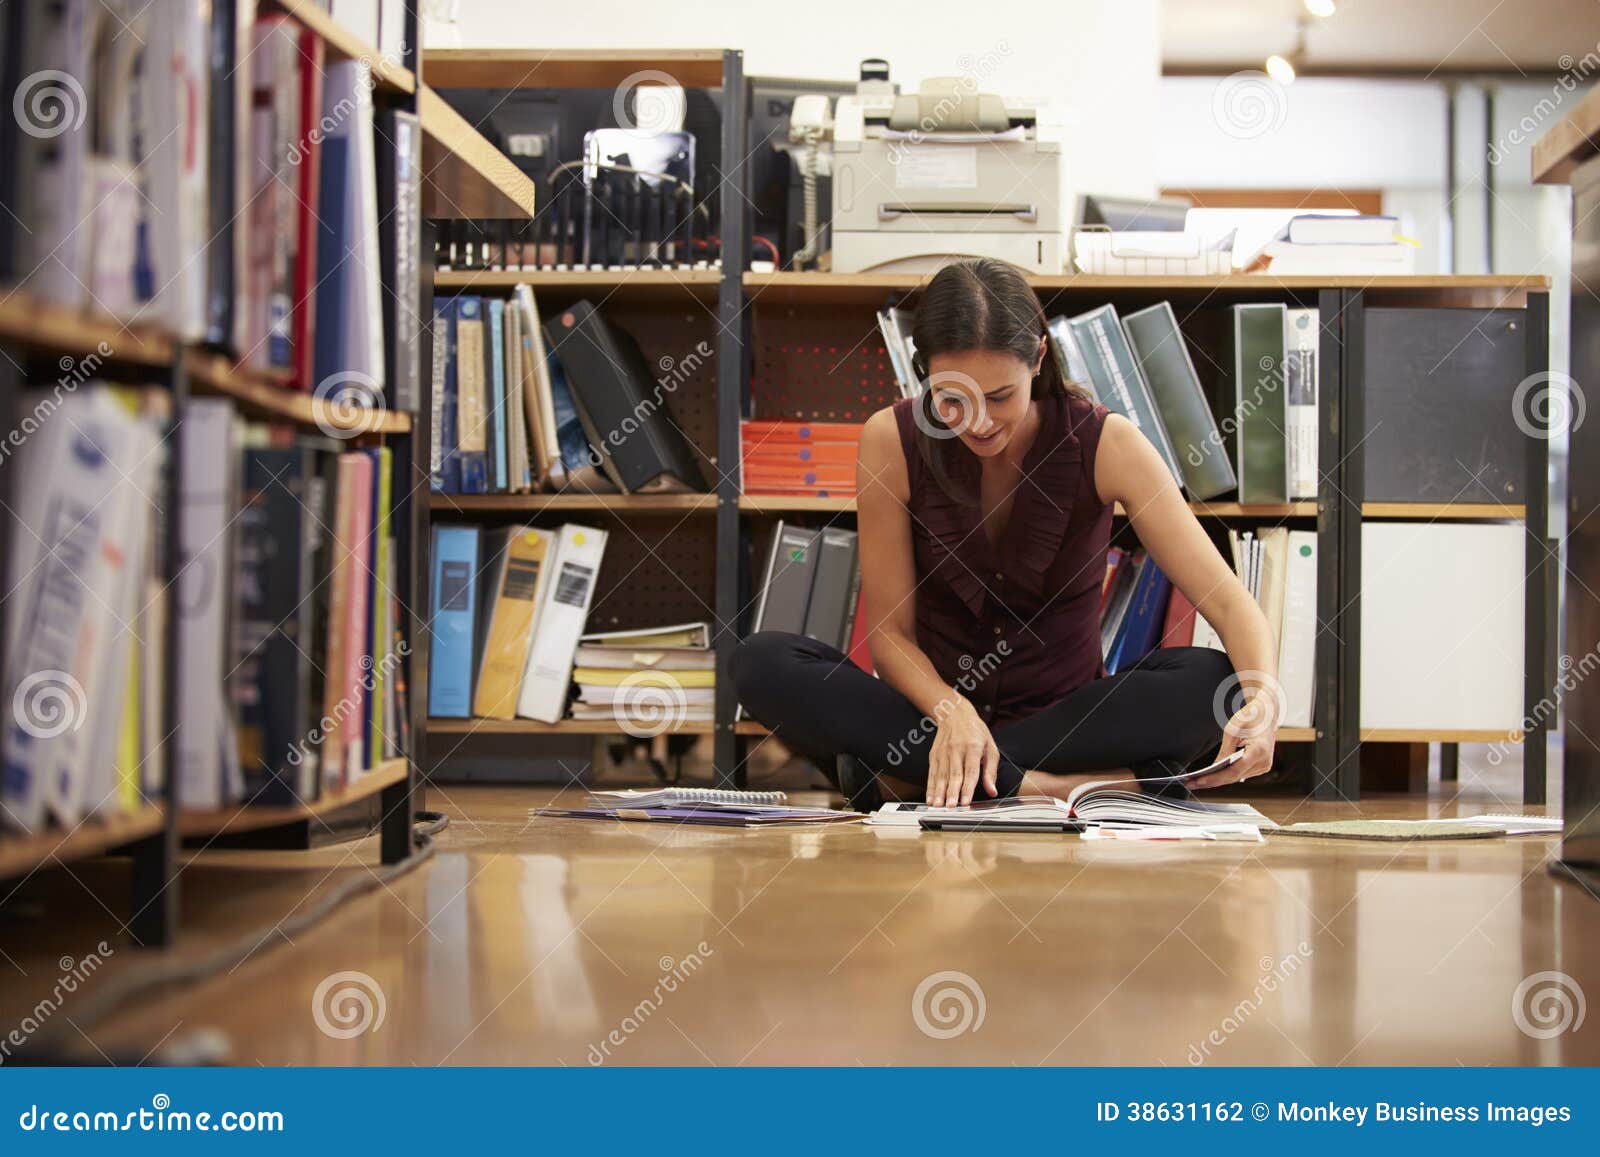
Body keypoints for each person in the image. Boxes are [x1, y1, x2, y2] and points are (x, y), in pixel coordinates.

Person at [732, 258, 1281, 810]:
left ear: (1037, 357)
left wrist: (1261, 703)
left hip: (1066, 722)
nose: (977, 422)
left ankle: (909, 781)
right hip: (930, 718)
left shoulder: (1107, 442)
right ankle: (1058, 788)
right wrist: (952, 713)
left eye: (999, 396)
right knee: (759, 661)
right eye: (952, 399)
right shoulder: (889, 440)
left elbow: (1231, 604)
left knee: (1215, 682)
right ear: (923, 371)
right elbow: (892, 637)